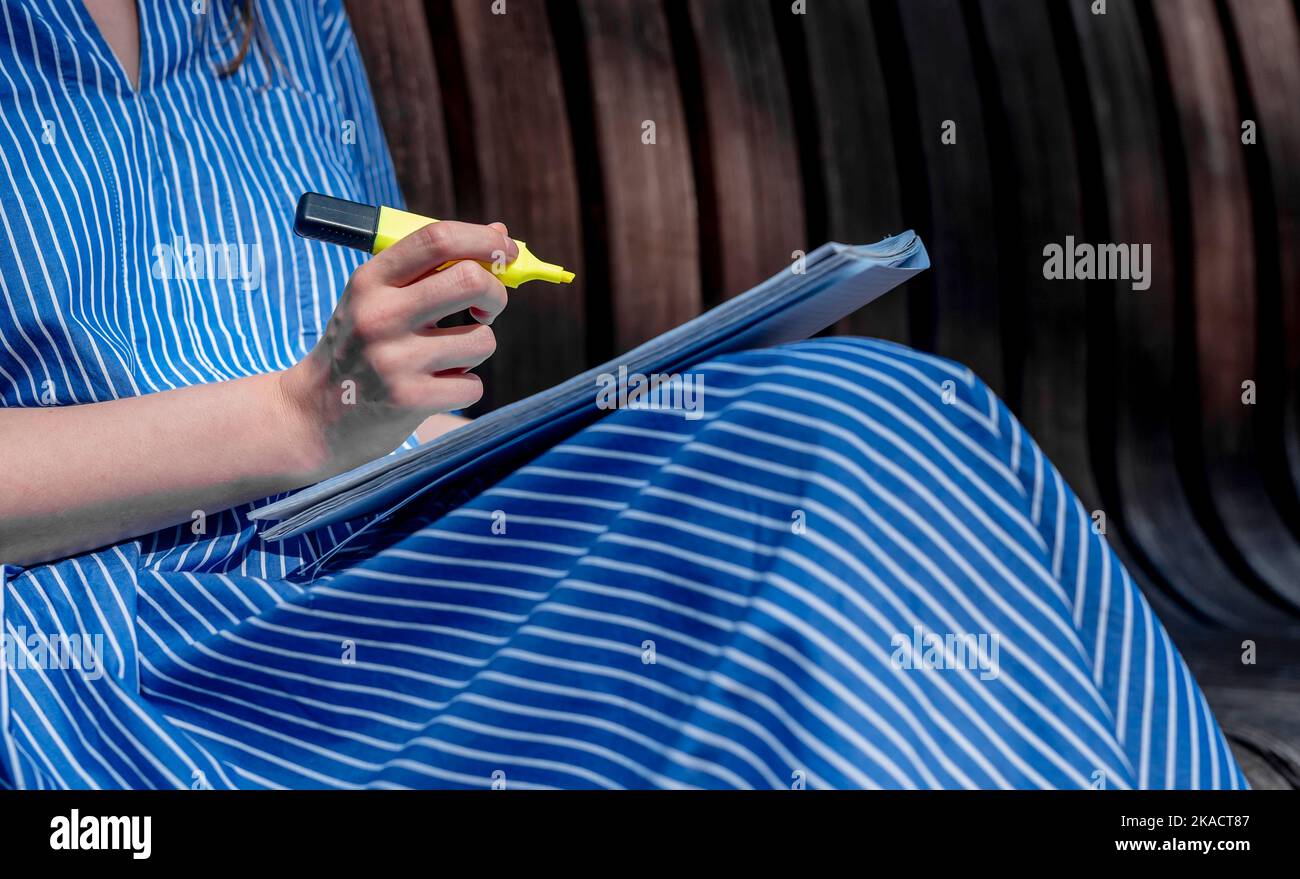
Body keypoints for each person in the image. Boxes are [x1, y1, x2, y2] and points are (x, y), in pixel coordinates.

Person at [0, 0, 1244, 789]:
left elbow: (371, 368)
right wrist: (303, 418)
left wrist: (435, 412)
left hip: (380, 554)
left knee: (875, 412)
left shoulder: (269, 13)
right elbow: (310, 406)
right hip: (122, 658)